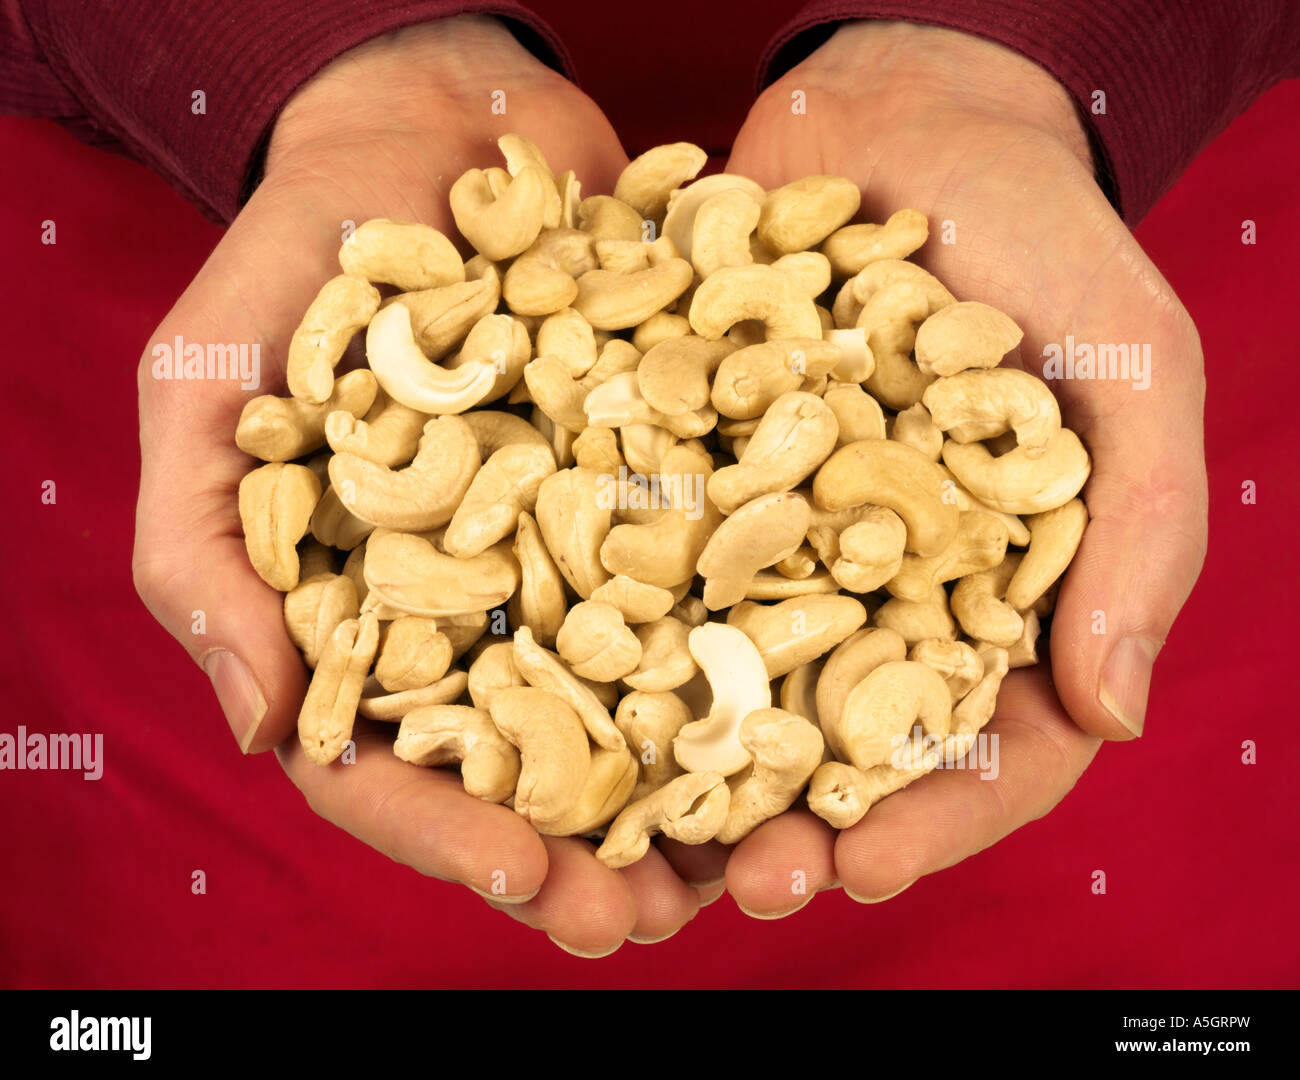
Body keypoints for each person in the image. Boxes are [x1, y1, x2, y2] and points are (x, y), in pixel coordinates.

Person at [4, 1, 1295, 958]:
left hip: (1121, 202)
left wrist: (1018, 51)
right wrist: (319, 59)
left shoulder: (888, 455)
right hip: (180, 209)